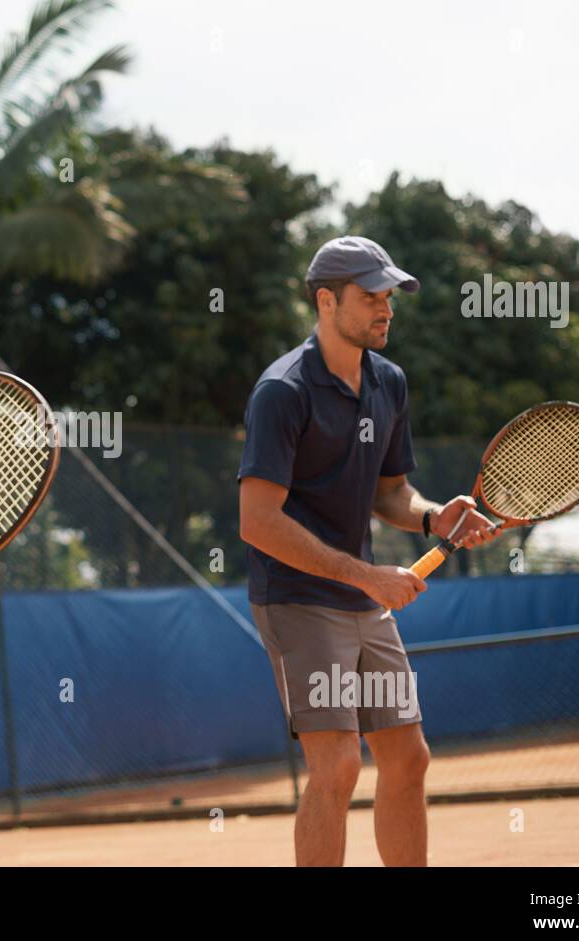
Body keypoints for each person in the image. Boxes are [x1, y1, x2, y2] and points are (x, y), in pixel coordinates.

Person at [237, 236, 499, 866]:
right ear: (327, 302)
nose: (386, 309)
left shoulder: (388, 383)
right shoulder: (283, 391)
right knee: (338, 766)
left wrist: (436, 516)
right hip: (299, 598)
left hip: (363, 595)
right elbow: (257, 522)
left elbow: (392, 494)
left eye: (389, 297)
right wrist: (368, 576)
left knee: (409, 757)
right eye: (370, 297)